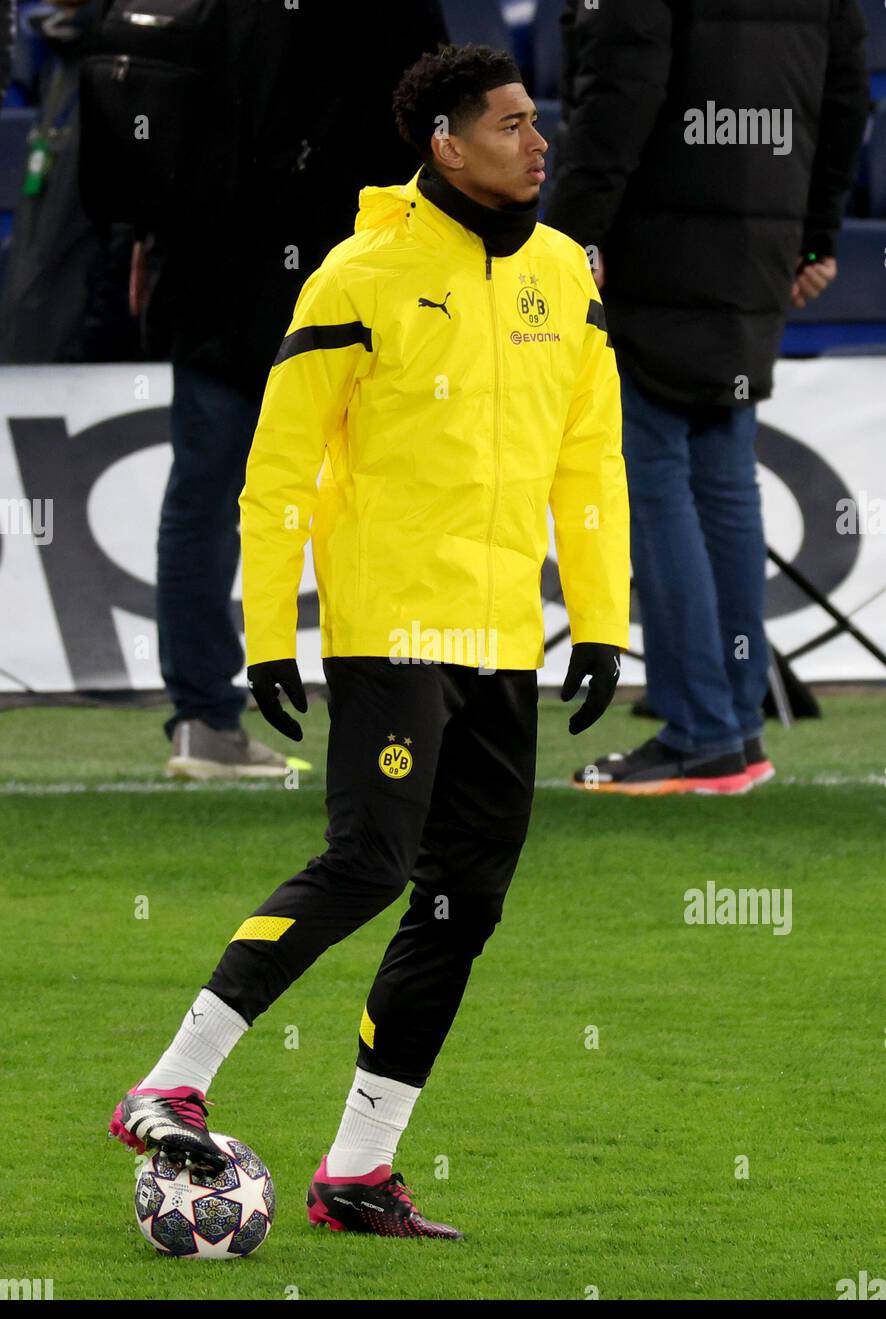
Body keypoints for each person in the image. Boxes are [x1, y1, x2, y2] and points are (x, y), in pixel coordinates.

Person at [108, 41, 630, 1240]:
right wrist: (268, 633)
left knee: (464, 899)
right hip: (389, 621)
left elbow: (588, 462)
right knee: (370, 864)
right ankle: (168, 1078)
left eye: (534, 120)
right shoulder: (359, 274)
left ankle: (357, 1173)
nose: (537, 140)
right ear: (444, 144)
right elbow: (277, 470)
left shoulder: (566, 273)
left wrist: (597, 621)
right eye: (507, 124)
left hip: (504, 639)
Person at [545, 0, 869, 794]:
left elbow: (621, 91)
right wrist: (815, 234)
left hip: (653, 246)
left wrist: (573, 233)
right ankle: (735, 730)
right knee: (723, 485)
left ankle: (700, 731)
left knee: (653, 486)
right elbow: (847, 95)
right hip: (758, 245)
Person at [138, 0, 449, 778]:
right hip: (351, 282)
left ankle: (203, 722)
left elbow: (156, 107)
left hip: (214, 273)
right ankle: (399, 720)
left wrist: (150, 235)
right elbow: (439, 120)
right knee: (389, 496)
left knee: (204, 498)